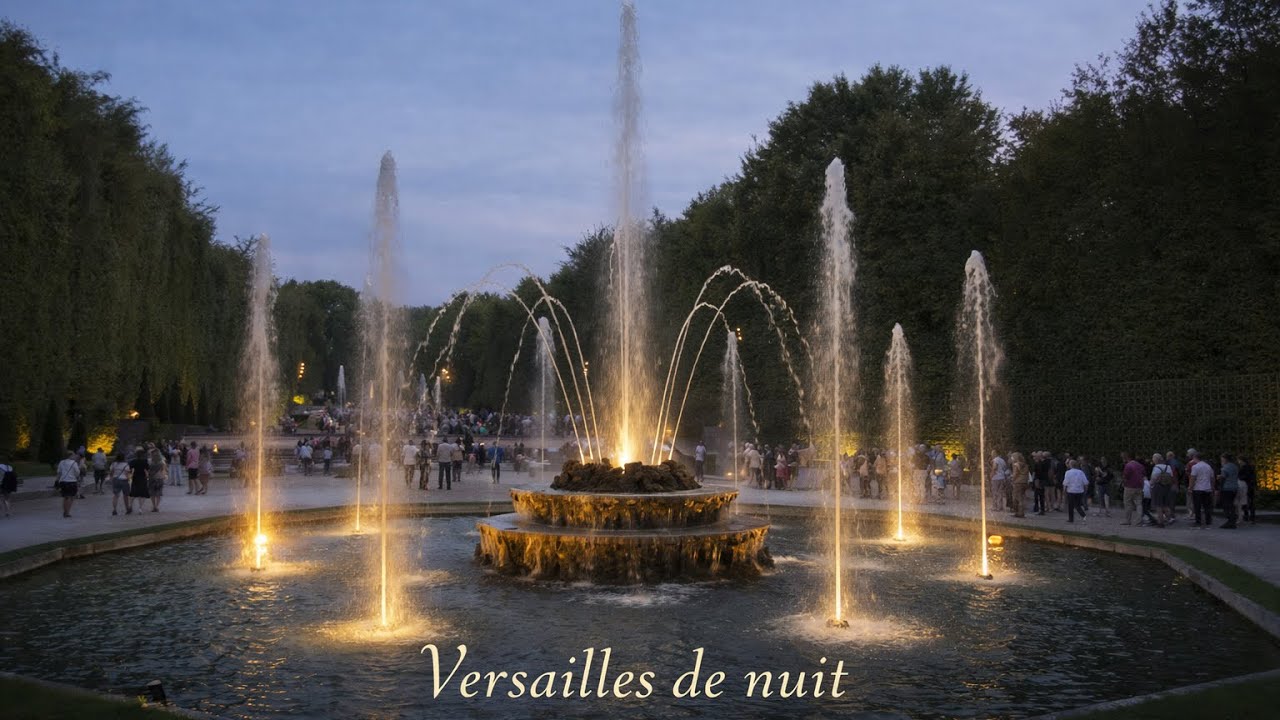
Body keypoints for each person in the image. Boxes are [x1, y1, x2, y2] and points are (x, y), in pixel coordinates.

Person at [1187, 450, 1214, 528]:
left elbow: (1192, 478)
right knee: (1207, 506)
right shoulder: (1208, 466)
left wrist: (1190, 488)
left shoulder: (1195, 467)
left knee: (1197, 506)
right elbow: (1212, 478)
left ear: (1195, 458)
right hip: (1207, 489)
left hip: (1198, 488)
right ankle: (1208, 520)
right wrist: (1212, 487)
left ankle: (1198, 521)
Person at [1150, 453, 1175, 527]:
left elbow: (1153, 478)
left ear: (1156, 460)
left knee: (1158, 505)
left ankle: (1160, 522)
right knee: (1165, 504)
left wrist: (1150, 485)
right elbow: (1171, 476)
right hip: (1167, 487)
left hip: (1158, 487)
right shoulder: (1168, 467)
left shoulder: (1156, 467)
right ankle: (1169, 518)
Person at [1120, 452, 1145, 526]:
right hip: (1139, 486)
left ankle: (1128, 520)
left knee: (1128, 504)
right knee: (1139, 504)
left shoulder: (1128, 465)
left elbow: (1125, 476)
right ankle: (1139, 521)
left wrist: (1123, 483)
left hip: (1129, 487)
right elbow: (1143, 475)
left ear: (1128, 457)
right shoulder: (1140, 466)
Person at [1062, 459, 1089, 523]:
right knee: (1078, 505)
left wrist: (1064, 491)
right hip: (1079, 491)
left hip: (1071, 491)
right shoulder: (1081, 472)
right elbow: (1085, 483)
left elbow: (1065, 483)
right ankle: (1083, 515)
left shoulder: (1068, 472)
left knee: (1070, 506)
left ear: (1070, 465)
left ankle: (1071, 519)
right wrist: (1085, 490)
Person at [1218, 453, 1240, 529]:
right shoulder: (1235, 466)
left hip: (1226, 488)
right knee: (1231, 504)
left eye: (1222, 459)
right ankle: (1232, 519)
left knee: (1226, 504)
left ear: (1225, 459)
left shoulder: (1225, 467)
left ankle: (1230, 520)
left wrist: (1219, 478)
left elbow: (1223, 478)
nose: (1221, 460)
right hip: (1234, 487)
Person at [56, 451, 80, 518]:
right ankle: (67, 512)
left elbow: (59, 472)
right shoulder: (74, 463)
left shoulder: (61, 462)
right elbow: (77, 473)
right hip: (71, 481)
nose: (74, 456)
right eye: (73, 455)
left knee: (65, 497)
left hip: (63, 481)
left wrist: (57, 481)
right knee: (71, 497)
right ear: (70, 456)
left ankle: (65, 511)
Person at [128, 447, 150, 514]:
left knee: (133, 493)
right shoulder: (145, 461)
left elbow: (129, 469)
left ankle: (130, 506)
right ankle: (140, 508)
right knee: (142, 494)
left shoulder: (133, 461)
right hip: (143, 478)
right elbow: (147, 469)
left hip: (135, 477)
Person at [1009, 451, 1029, 517]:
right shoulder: (1025, 465)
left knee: (1016, 498)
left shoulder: (1016, 465)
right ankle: (1021, 511)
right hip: (1025, 482)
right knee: (1022, 497)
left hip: (1018, 482)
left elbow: (1015, 474)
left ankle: (1019, 512)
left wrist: (1012, 479)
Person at [147, 446, 167, 512]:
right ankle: (156, 506)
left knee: (152, 493)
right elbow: (164, 470)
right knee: (159, 493)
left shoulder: (150, 461)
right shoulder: (162, 461)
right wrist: (164, 476)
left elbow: (148, 470)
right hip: (160, 478)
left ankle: (154, 506)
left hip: (152, 478)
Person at [1239, 456, 1257, 523]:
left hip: (1245, 486)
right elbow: (1254, 477)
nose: (1238, 462)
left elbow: (1244, 476)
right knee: (1251, 502)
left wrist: (1240, 478)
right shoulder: (1251, 467)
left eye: (1239, 460)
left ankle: (1246, 516)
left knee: (1244, 501)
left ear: (1242, 460)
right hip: (1251, 486)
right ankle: (1252, 517)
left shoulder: (1243, 468)